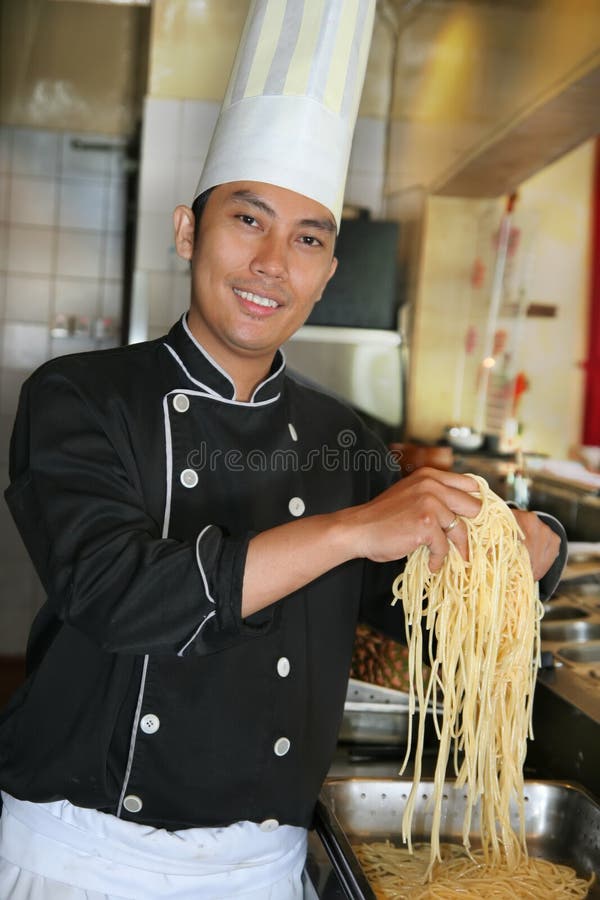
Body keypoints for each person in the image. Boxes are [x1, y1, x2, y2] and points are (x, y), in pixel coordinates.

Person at [0, 3, 564, 898]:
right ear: (190, 230)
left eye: (308, 240)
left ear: (330, 272)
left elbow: (410, 598)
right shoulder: (78, 398)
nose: (273, 264)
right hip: (88, 855)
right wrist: (348, 531)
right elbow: (116, 593)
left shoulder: (343, 435)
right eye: (248, 222)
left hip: (264, 865)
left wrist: (522, 546)